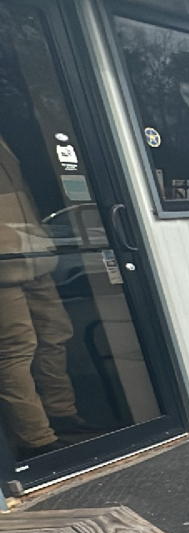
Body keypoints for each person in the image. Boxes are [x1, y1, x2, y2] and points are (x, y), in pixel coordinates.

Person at [0, 132, 81, 459]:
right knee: (16, 348)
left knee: (56, 332)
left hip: (35, 253)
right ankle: (36, 438)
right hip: (4, 264)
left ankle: (62, 414)